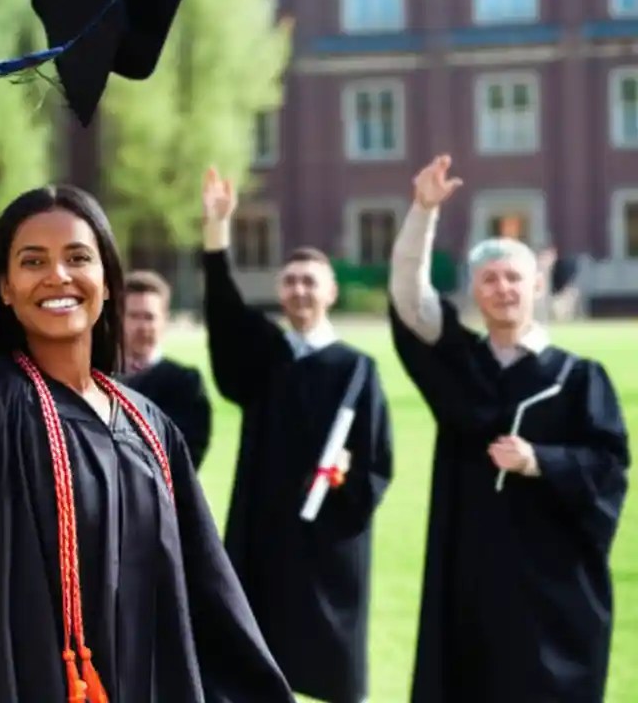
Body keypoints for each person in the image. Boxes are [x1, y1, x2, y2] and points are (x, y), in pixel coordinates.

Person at [0, 160, 294, 702]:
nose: (58, 275)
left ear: (108, 284)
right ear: (5, 288)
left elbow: (208, 591)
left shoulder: (150, 426)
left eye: (78, 257)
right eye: (33, 261)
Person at [389, 154, 630, 703]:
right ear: (475, 291)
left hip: (553, 579)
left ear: (537, 284)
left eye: (514, 277)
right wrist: (423, 211)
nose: (503, 288)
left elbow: (609, 468)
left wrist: (540, 460)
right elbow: (410, 300)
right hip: (470, 571)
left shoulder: (577, 378)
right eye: (489, 279)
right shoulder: (460, 364)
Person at [200, 169, 393, 703]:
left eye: (311, 281)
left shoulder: (357, 369)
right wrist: (217, 232)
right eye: (290, 281)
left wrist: (344, 487)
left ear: (331, 291)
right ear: (280, 292)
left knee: (329, 670)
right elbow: (225, 310)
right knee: (254, 659)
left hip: (328, 537)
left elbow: (377, 462)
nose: (300, 290)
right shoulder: (265, 355)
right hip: (264, 530)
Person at [119, 270, 213, 468]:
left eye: (149, 317)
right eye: (134, 316)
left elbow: (187, 452)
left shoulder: (185, 383)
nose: (142, 326)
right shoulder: (97, 379)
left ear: (164, 320)